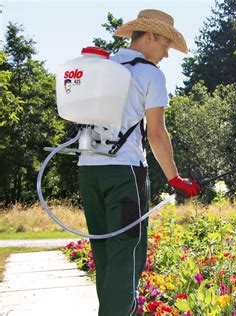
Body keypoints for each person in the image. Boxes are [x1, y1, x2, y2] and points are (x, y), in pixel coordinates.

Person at [78, 9, 200, 316]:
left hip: (88, 171)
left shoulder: (102, 66)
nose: (166, 55)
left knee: (105, 253)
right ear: (151, 37)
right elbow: (157, 134)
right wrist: (175, 178)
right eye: (166, 46)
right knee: (127, 254)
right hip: (125, 173)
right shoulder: (150, 75)